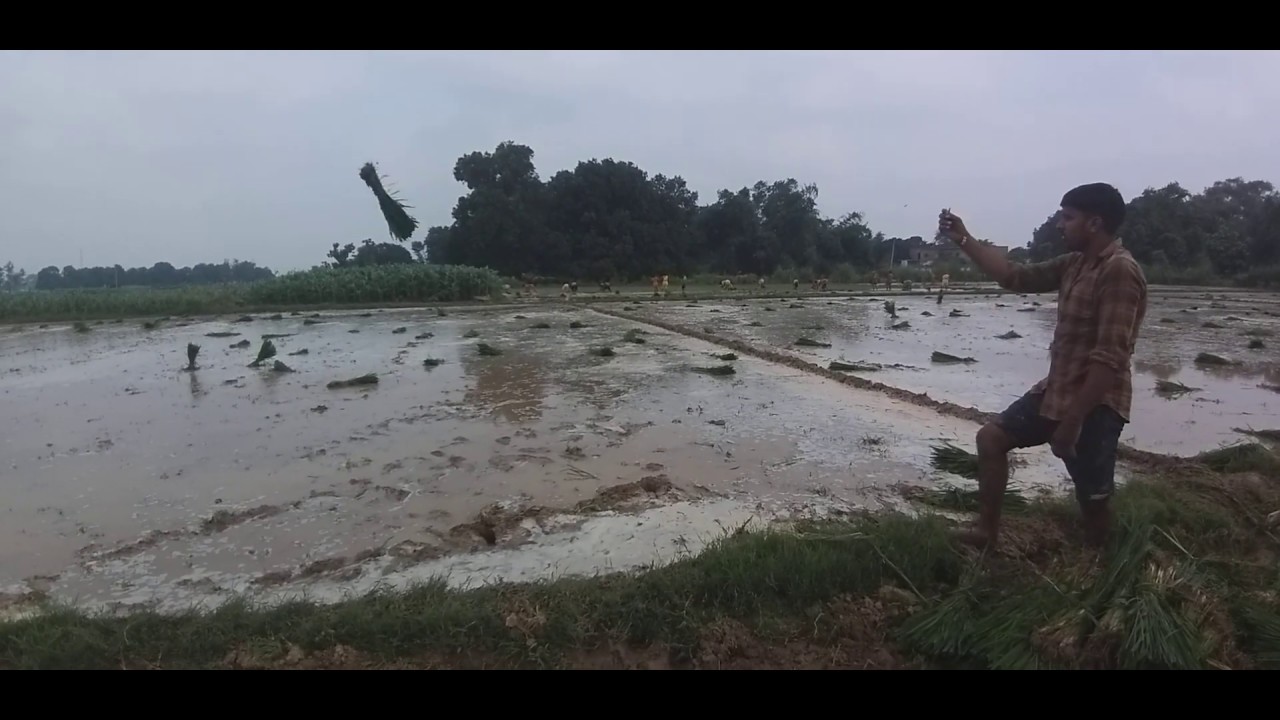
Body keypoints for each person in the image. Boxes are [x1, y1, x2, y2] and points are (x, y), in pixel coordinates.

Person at [936, 183, 1147, 550]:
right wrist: (964, 239)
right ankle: (986, 532)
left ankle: (1101, 565)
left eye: (1068, 218)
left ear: (1095, 222)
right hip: (1058, 389)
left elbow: (1110, 358)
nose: (1060, 225)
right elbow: (1014, 276)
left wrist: (1072, 422)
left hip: (1095, 404)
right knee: (991, 438)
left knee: (1092, 497)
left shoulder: (1119, 271)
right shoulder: (1076, 263)